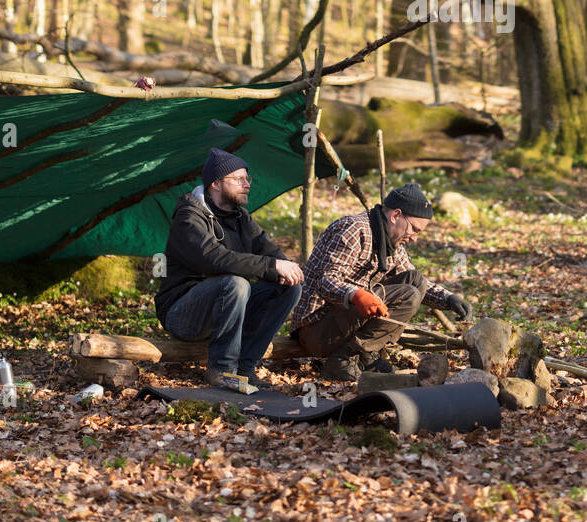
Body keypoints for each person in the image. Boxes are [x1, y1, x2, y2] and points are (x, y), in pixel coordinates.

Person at [154, 148, 304, 390]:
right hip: (182, 314)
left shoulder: (240, 217)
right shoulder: (189, 217)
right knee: (235, 283)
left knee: (287, 289)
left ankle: (244, 368)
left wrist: (286, 267)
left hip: (225, 308)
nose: (247, 185)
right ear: (216, 183)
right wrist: (271, 265)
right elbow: (214, 259)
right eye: (239, 179)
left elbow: (269, 251)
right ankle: (222, 370)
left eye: (248, 179)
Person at [290, 182, 473, 381]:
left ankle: (365, 355)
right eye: (415, 229)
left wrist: (448, 299)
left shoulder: (390, 242)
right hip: (316, 329)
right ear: (395, 215)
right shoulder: (353, 230)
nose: (414, 239)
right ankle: (345, 358)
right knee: (408, 295)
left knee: (415, 281)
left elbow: (412, 276)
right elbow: (326, 281)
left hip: (342, 323)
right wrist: (356, 295)